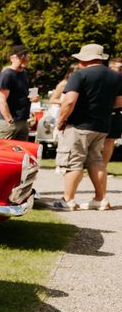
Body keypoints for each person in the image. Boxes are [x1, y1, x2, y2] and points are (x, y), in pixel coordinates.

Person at [50, 44, 122, 211]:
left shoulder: (79, 74)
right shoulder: (116, 76)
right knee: (97, 162)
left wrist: (61, 120)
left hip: (79, 125)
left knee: (73, 162)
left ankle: (68, 200)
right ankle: (100, 199)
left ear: (84, 59)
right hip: (102, 125)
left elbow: (69, 101)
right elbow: (119, 102)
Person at [0, 45, 32, 141]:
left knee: (21, 150)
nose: (25, 59)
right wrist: (9, 120)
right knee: (5, 149)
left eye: (27, 56)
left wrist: (33, 98)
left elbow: (23, 95)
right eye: (22, 56)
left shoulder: (24, 73)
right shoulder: (7, 75)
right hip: (10, 122)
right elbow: (1, 100)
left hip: (23, 121)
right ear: (12, 58)